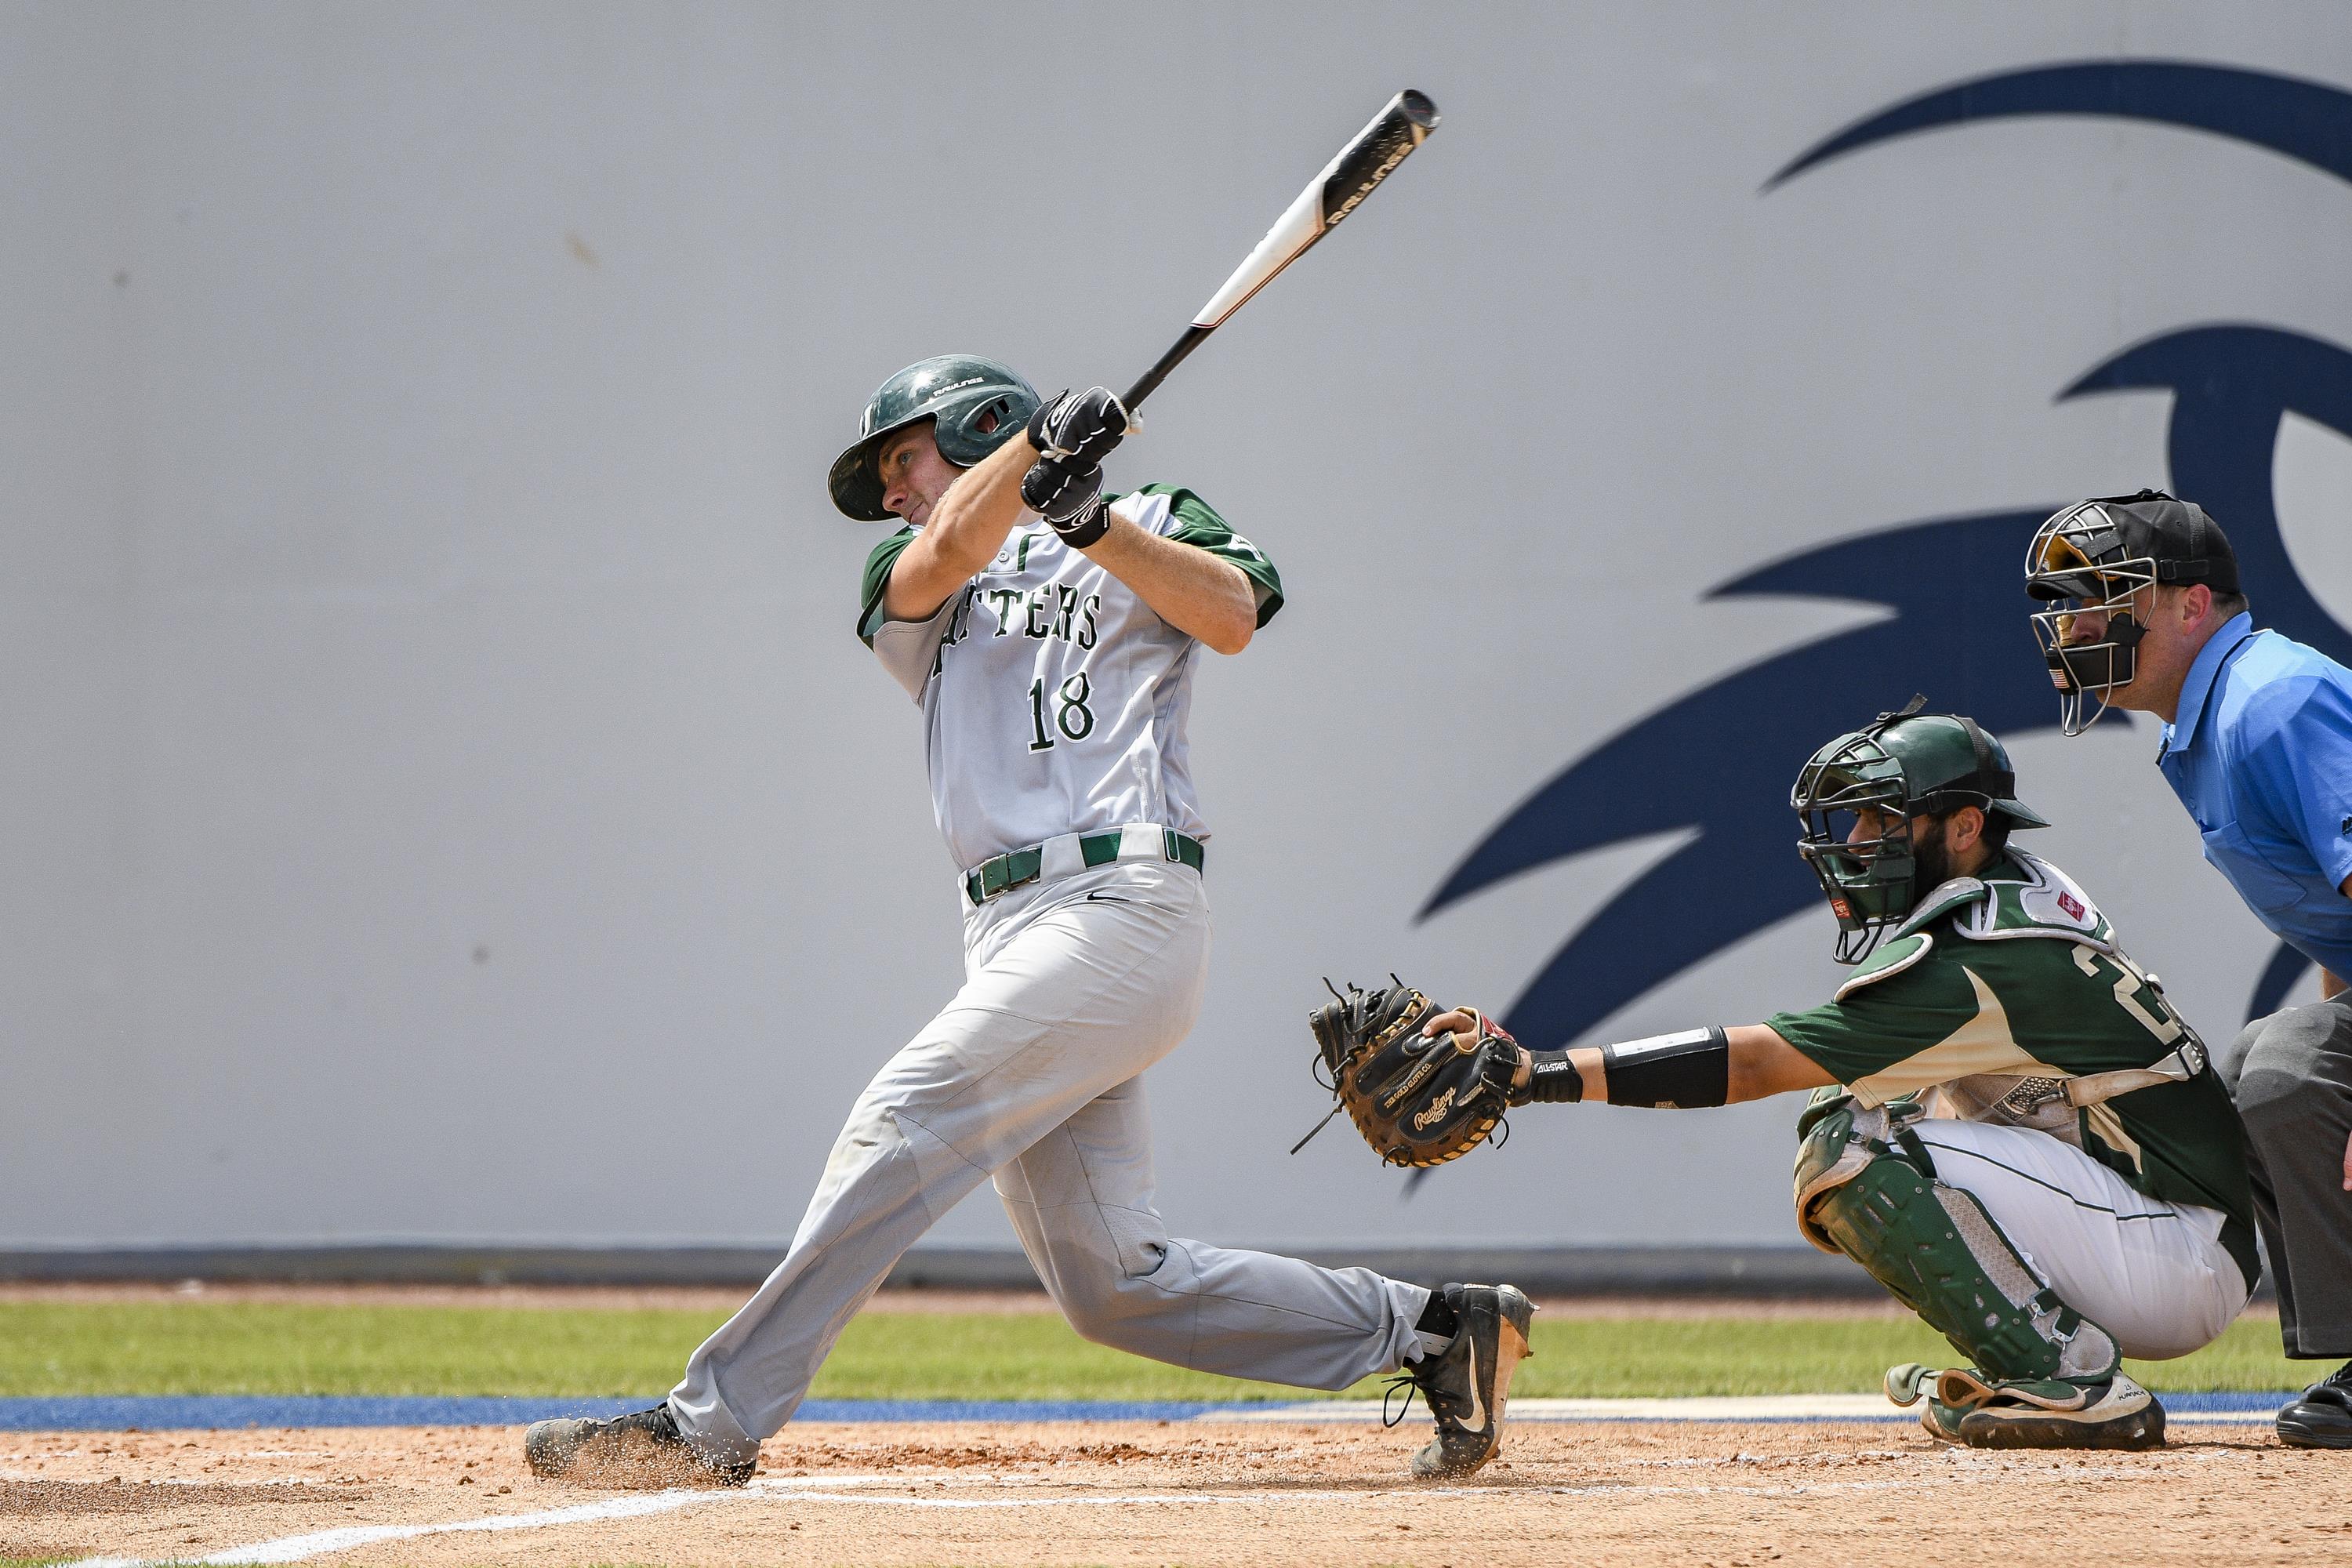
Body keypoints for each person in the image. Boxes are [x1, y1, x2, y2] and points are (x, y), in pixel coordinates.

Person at [521, 355, 1530, 1486]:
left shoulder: (1152, 516)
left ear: (971, 422)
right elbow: (947, 545)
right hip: (1012, 930)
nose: (892, 491)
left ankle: (710, 1423)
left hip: (1126, 906)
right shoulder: (912, 576)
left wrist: (1091, 519)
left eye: (901, 458)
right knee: (1115, 1284)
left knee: (906, 1113)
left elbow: (1235, 613)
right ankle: (1437, 1331)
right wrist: (1039, 452)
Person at [1413, 707, 2254, 1449]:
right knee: (1857, 1104)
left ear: (1964, 826)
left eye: (1883, 819)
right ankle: (2038, 1358)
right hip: (2157, 1220)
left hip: (2177, 1248)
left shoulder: (1981, 959)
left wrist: (1534, 1072)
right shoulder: (2006, 893)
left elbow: (1755, 1061)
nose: (1855, 842)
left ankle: (2072, 1377)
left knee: (1847, 1141)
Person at [2027, 488, 2352, 1448]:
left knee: (2289, 1063)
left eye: (2102, 598)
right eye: (2068, 603)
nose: (2075, 626)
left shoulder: (2269, 700)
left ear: (2192, 605)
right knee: (2268, 1067)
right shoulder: (2217, 714)